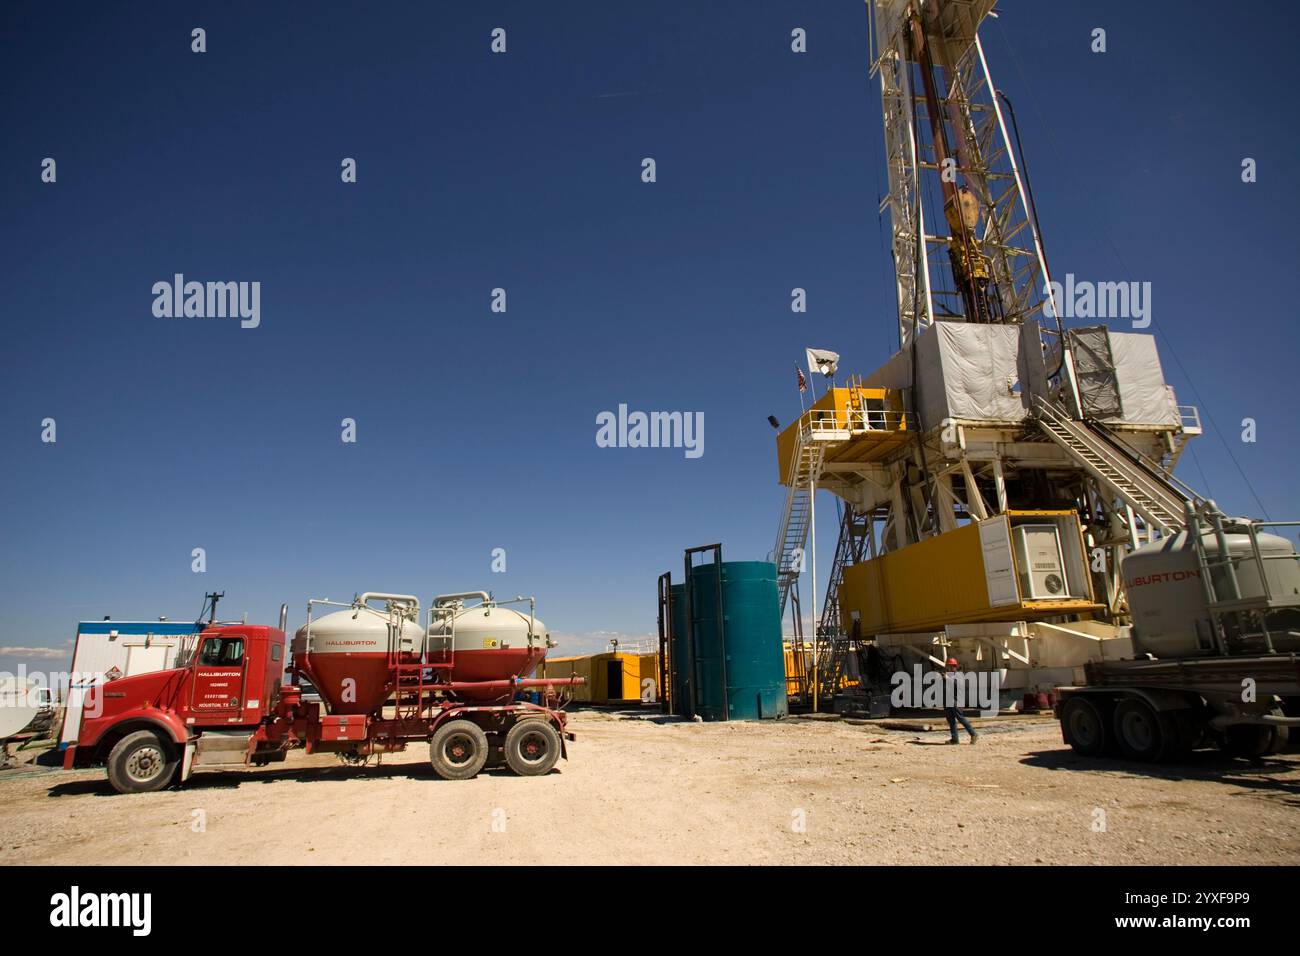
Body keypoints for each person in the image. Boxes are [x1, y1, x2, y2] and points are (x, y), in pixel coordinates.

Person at [943, 658, 979, 745]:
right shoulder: (949, 675)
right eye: (948, 666)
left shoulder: (958, 676)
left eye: (951, 666)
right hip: (948, 700)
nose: (949, 668)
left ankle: (973, 734)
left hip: (956, 701)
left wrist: (947, 679)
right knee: (951, 720)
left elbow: (957, 685)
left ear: (955, 667)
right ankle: (955, 739)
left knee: (960, 718)